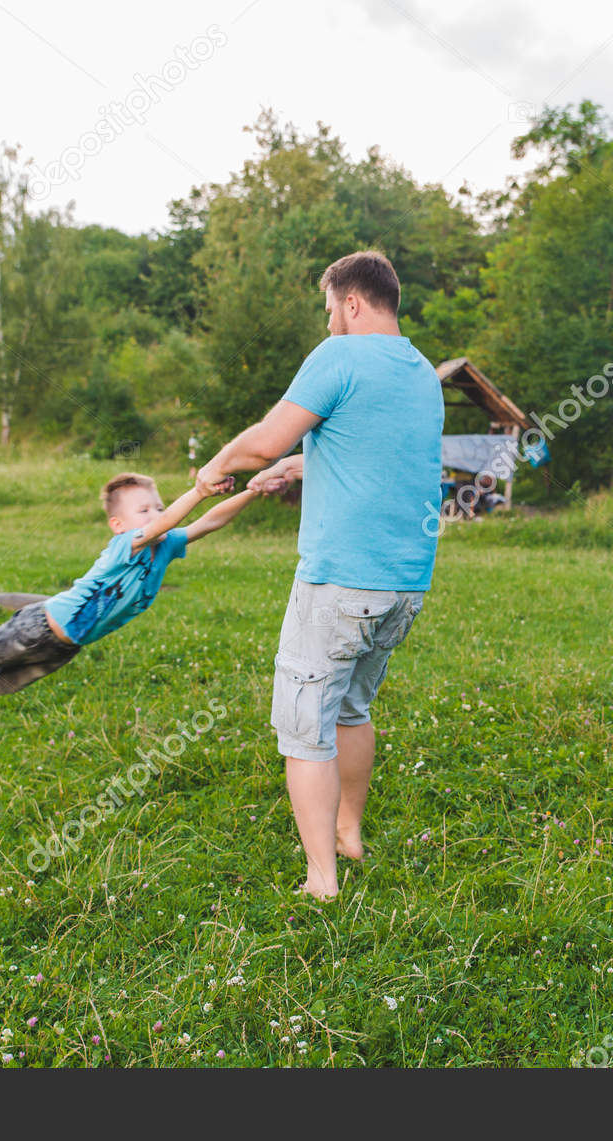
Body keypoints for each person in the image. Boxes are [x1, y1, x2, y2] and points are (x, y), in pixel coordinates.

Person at [197, 250, 443, 900]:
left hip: (340, 581)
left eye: (329, 307)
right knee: (352, 711)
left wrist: (214, 466)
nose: (328, 320)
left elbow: (259, 444)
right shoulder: (420, 371)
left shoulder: (339, 356)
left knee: (306, 730)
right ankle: (348, 833)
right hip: (403, 585)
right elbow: (377, 454)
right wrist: (303, 467)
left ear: (352, 303)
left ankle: (321, 880)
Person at [0, 471, 253, 747]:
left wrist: (255, 489)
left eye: (158, 506)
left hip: (67, 645)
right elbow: (167, 521)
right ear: (119, 524)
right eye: (143, 510)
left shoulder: (165, 547)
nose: (155, 515)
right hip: (41, 625)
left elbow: (209, 523)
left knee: (0, 683)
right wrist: (200, 491)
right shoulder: (126, 545)